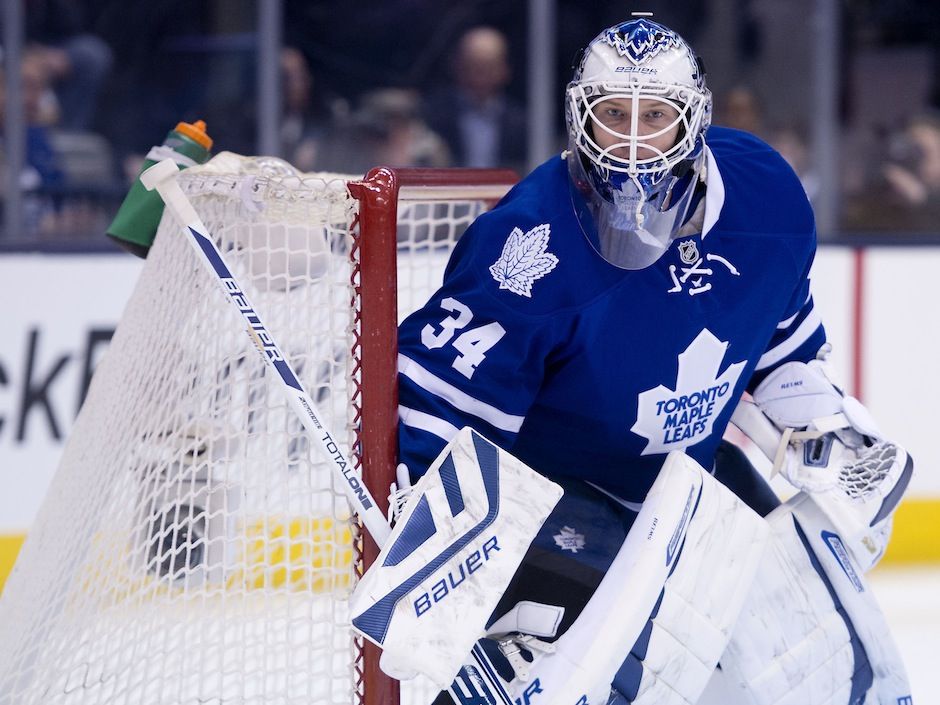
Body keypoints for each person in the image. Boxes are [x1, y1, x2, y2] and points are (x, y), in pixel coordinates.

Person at [392, 14, 913, 705]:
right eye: (613, 114)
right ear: (582, 119)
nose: (633, 141)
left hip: (685, 488)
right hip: (561, 495)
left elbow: (781, 346)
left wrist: (826, 429)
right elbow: (432, 421)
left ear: (691, 123)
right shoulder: (528, 245)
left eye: (655, 116)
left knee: (815, 652)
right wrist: (446, 570)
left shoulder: (765, 196)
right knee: (628, 673)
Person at [422, 26, 527, 173]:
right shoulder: (431, 115)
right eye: (472, 66)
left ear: (504, 69)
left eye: (488, 67)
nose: (479, 76)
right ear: (456, 65)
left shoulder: (521, 123)